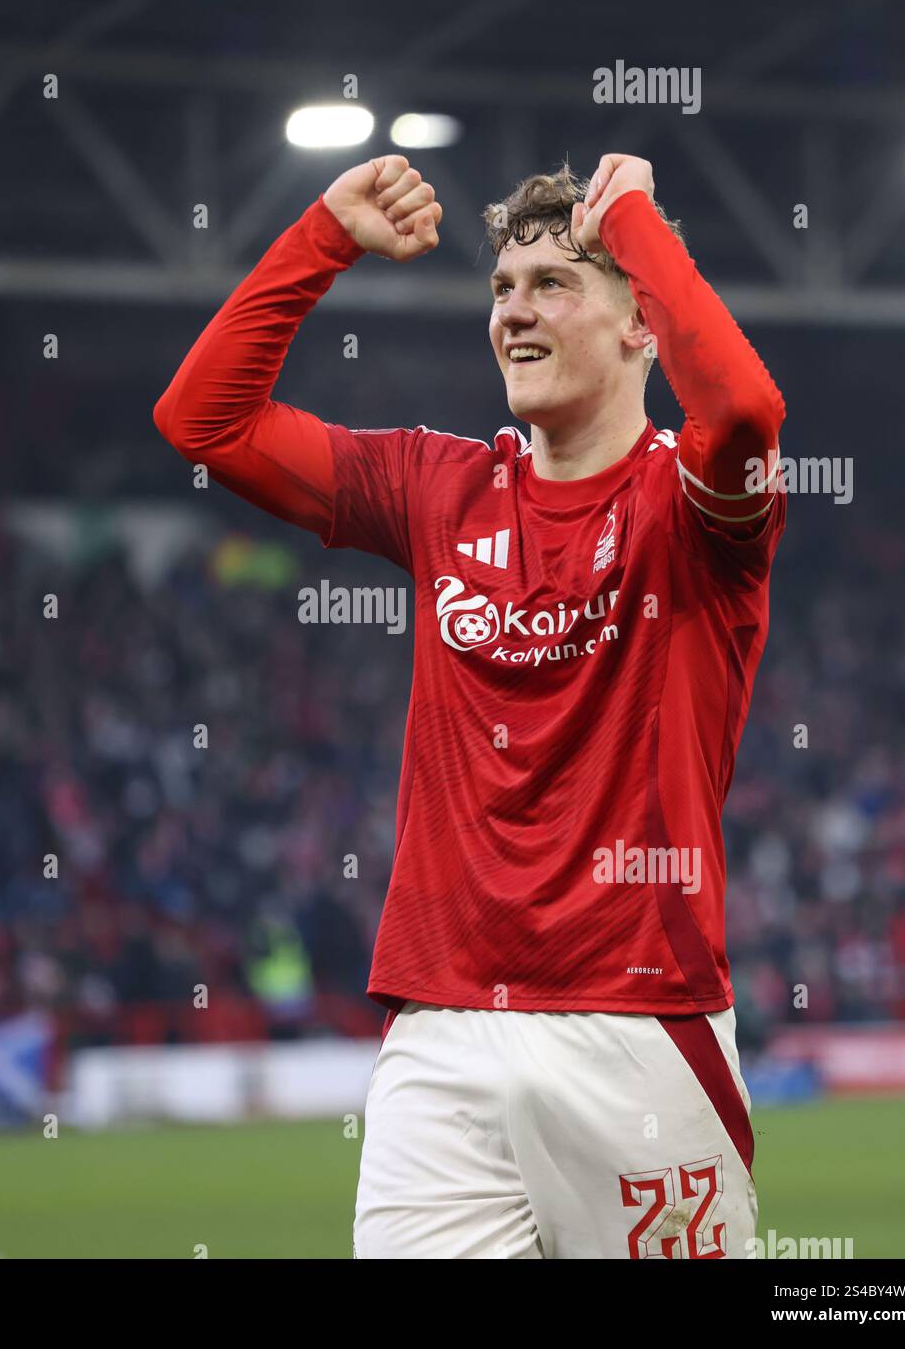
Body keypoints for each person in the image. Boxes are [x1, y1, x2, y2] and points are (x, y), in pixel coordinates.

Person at [154, 151, 786, 1259]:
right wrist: (322, 240)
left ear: (642, 325)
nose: (514, 312)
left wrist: (637, 226)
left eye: (553, 284)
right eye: (500, 288)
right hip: (441, 1037)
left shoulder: (692, 511)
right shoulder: (439, 489)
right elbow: (203, 421)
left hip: (637, 1031)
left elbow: (743, 403)